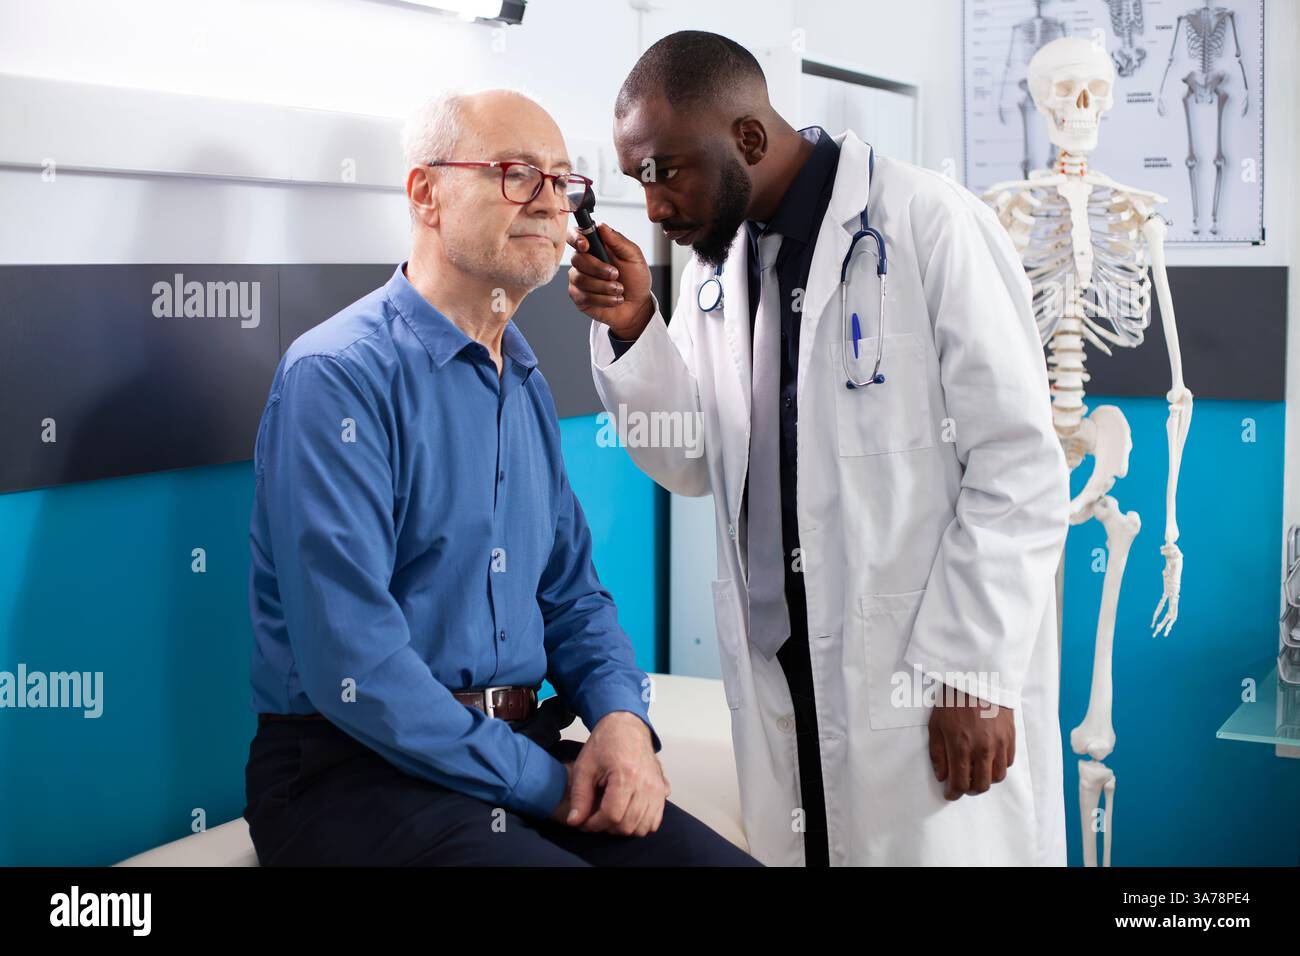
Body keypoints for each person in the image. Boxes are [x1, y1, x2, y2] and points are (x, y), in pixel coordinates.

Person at [568, 32, 1070, 866]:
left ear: (750, 139)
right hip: (787, 681)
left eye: (666, 170)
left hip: (923, 673)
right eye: (636, 179)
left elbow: (1018, 466)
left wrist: (973, 670)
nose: (653, 206)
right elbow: (697, 461)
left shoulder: (927, 224)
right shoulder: (714, 268)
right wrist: (632, 329)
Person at [243, 87, 759, 867]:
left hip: (517, 746)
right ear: (427, 193)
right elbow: (356, 665)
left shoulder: (520, 377)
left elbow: (571, 597)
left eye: (563, 181)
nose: (550, 202)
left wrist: (621, 721)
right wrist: (549, 787)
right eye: (517, 173)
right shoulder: (337, 378)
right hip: (354, 774)